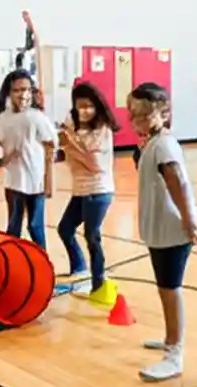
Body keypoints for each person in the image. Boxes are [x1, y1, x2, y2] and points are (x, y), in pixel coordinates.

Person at [127, 82, 197, 381]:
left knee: (170, 290)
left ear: (163, 113)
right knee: (165, 288)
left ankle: (175, 354)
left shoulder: (163, 145)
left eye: (146, 115)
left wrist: (189, 222)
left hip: (172, 230)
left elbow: (178, 183)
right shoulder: (154, 143)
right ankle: (171, 338)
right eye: (135, 115)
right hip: (161, 229)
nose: (139, 121)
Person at [58, 81, 118, 292]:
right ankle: (79, 267)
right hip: (80, 189)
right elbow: (64, 148)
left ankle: (98, 283)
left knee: (92, 235)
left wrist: (70, 144)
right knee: (65, 229)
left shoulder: (102, 130)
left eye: (88, 106)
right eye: (79, 106)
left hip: (98, 190)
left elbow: (95, 165)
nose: (83, 111)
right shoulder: (72, 124)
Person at [0, 69, 56, 248]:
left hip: (36, 183)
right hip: (13, 183)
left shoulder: (37, 118)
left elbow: (50, 147)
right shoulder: (3, 119)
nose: (23, 95)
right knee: (13, 228)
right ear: (9, 92)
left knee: (35, 227)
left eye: (27, 89)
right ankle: (13, 264)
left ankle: (43, 265)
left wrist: (49, 180)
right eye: (17, 90)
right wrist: (5, 156)